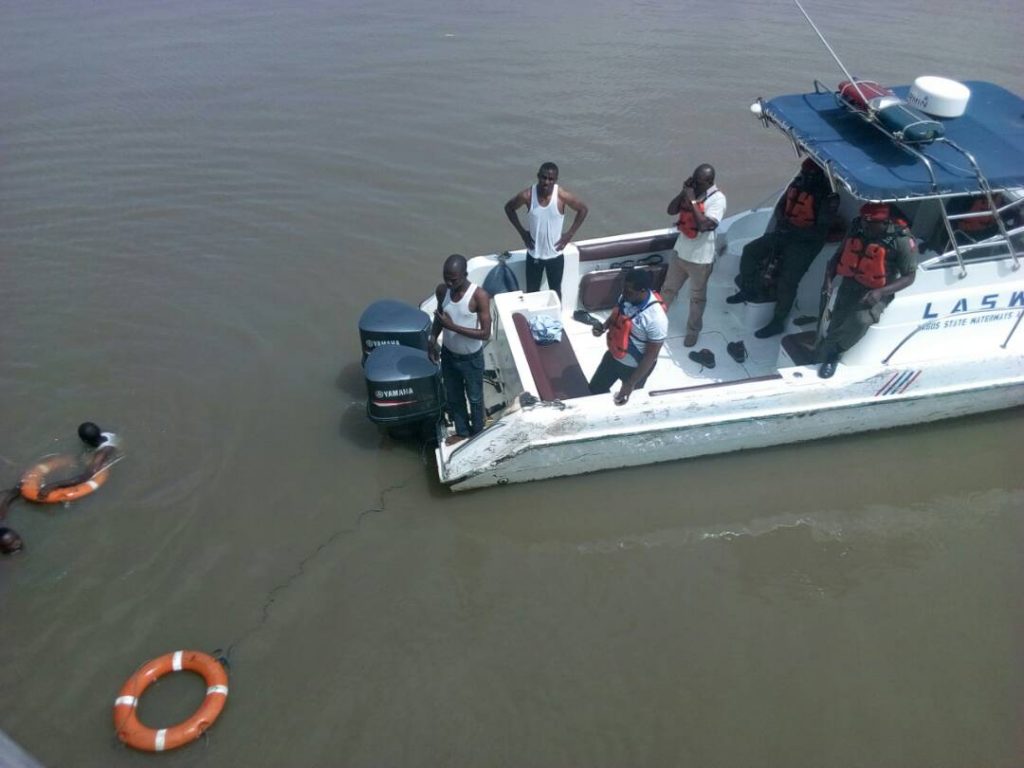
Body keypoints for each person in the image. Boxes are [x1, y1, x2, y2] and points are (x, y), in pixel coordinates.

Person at [726, 158, 839, 338]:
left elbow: (821, 230)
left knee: (787, 282)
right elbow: (781, 207)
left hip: (805, 244)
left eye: (809, 174)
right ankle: (748, 288)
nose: (804, 176)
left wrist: (793, 232)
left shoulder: (827, 197)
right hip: (784, 232)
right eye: (803, 173)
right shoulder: (797, 184)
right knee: (751, 251)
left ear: (818, 176)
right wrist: (783, 224)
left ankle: (778, 321)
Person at [817, 203, 917, 378]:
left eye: (872, 224)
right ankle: (823, 352)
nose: (867, 227)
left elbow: (909, 277)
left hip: (878, 289)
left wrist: (881, 292)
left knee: (861, 320)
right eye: (865, 222)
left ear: (884, 223)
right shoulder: (858, 228)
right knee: (837, 323)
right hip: (850, 284)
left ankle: (833, 354)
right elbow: (838, 256)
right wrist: (828, 280)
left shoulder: (901, 240)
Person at [0, 422, 120, 554]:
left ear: (85, 441)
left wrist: (53, 485)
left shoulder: (100, 457)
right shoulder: (108, 436)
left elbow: (85, 477)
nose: (17, 542)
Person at [428, 254, 493, 445]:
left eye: (453, 279)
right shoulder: (442, 291)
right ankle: (463, 432)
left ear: (465, 274)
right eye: (445, 277)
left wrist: (452, 327)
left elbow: (485, 333)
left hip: (471, 359)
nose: (448, 283)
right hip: (449, 355)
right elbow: (440, 319)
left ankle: (478, 433)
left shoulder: (479, 295)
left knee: (474, 398)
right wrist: (432, 339)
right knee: (454, 396)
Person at [661, 164, 726, 347]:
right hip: (680, 253)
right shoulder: (691, 193)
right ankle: (655, 323)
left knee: (697, 298)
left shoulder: (718, 199)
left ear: (709, 182)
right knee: (667, 290)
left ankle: (693, 331)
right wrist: (684, 193)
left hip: (701, 260)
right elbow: (671, 210)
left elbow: (706, 225)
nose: (695, 185)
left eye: (699, 182)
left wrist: (692, 201)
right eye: (694, 180)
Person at [504, 162, 589, 300]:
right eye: (544, 178)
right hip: (534, 255)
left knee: (556, 292)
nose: (546, 182)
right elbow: (509, 208)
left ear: (555, 180)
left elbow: (583, 210)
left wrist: (569, 235)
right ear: (538, 176)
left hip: (555, 255)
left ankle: (557, 320)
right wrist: (522, 233)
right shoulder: (527, 196)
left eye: (551, 179)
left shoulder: (561, 196)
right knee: (532, 293)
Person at [588, 268, 668, 405]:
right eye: (624, 289)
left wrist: (630, 383)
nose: (624, 294)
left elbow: (651, 356)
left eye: (629, 291)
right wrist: (603, 327)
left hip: (634, 368)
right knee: (594, 390)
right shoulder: (626, 296)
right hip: (613, 356)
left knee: (624, 404)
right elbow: (617, 315)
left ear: (643, 290)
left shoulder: (656, 319)